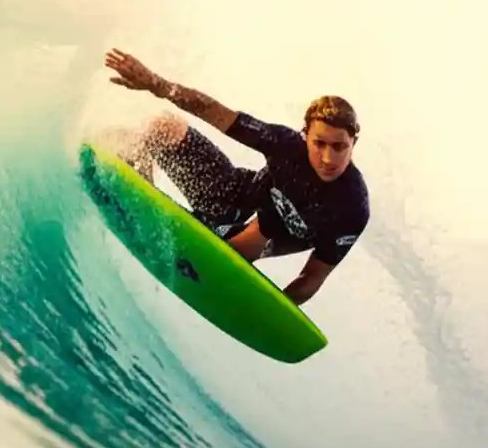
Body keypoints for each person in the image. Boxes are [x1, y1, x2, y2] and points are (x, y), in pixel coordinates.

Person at [103, 48, 369, 305]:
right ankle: (141, 200)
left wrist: (267, 316)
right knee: (163, 126)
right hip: (230, 195)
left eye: (339, 147)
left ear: (353, 142)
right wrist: (156, 84)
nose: (327, 158)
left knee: (264, 227)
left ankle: (210, 242)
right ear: (305, 135)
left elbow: (312, 276)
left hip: (251, 237)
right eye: (319, 143)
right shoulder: (285, 145)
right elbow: (214, 112)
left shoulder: (351, 207)